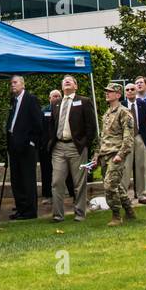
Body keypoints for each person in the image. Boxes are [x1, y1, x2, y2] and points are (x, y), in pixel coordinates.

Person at [47, 75, 96, 222]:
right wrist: (51, 142)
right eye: (64, 80)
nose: (67, 81)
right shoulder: (56, 103)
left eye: (70, 80)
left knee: (79, 183)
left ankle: (80, 213)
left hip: (77, 147)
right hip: (58, 147)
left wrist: (84, 144)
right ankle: (58, 215)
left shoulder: (84, 101)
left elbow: (91, 126)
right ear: (62, 86)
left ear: (76, 86)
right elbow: (51, 125)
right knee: (56, 182)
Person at [96, 82, 137, 225]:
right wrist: (96, 156)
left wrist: (121, 154)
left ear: (118, 95)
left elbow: (128, 137)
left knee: (109, 186)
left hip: (116, 154)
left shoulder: (124, 112)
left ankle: (116, 216)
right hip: (105, 154)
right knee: (116, 185)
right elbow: (103, 137)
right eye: (106, 91)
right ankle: (129, 211)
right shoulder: (107, 113)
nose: (107, 93)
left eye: (110, 91)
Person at [5, 75, 44, 220]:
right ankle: (20, 209)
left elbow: (38, 123)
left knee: (27, 179)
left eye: (15, 82)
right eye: (11, 83)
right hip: (14, 146)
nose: (12, 85)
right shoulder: (13, 101)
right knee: (16, 180)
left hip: (27, 147)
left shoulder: (30, 100)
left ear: (23, 84)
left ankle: (30, 211)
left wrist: (32, 142)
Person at [40, 89, 59, 200]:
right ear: (49, 98)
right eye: (54, 96)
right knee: (46, 171)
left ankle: (72, 194)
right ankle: (47, 195)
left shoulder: (64, 109)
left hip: (60, 145)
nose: (56, 98)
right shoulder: (43, 111)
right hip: (46, 147)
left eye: (58, 96)